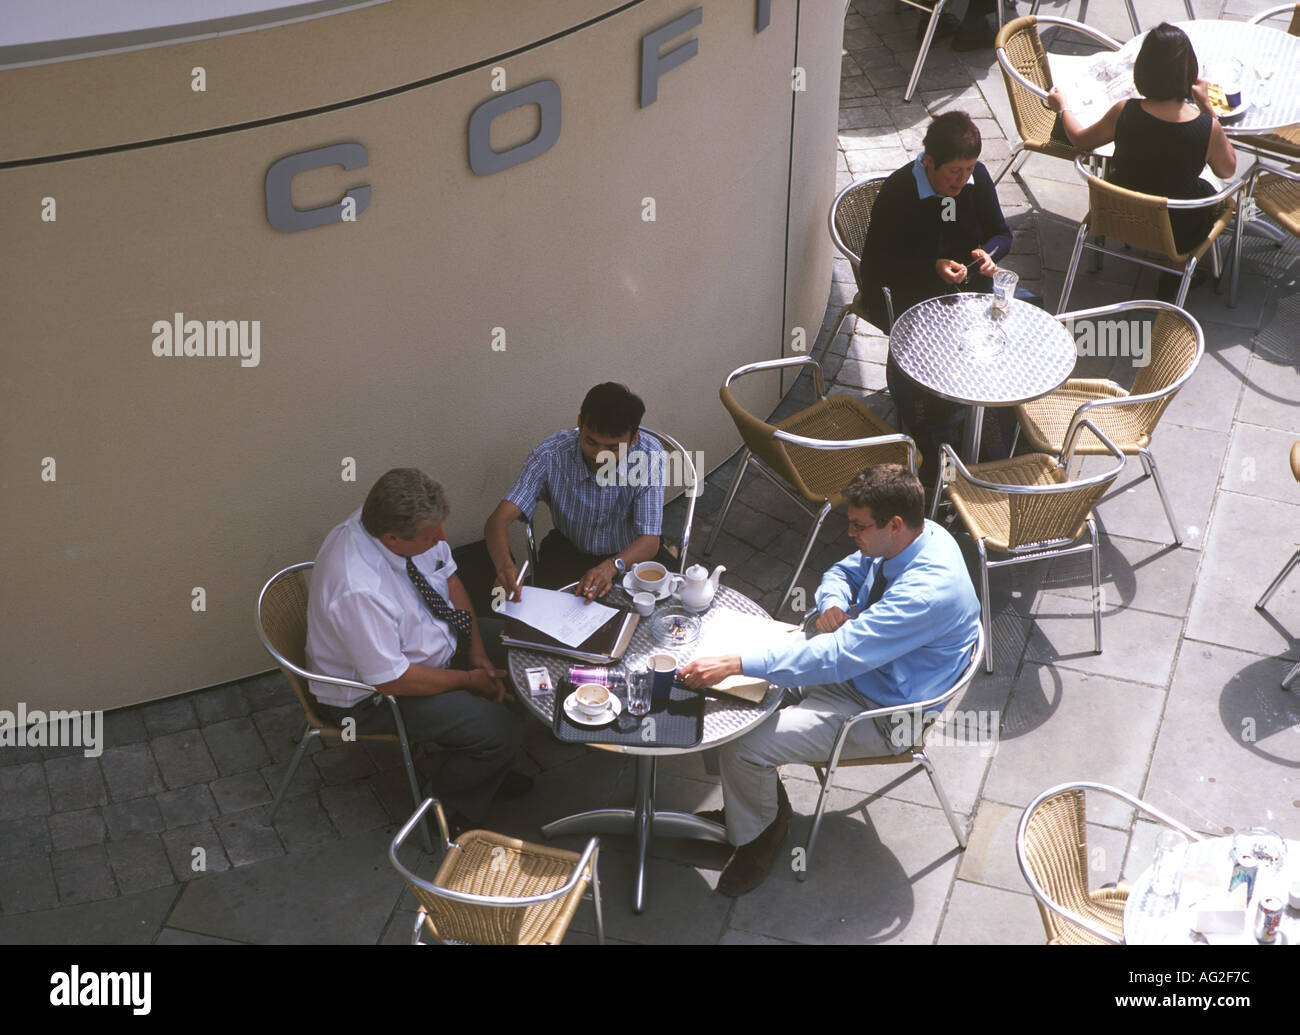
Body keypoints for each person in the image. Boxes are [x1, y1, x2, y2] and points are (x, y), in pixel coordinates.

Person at [679, 464, 981, 897]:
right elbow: (845, 571)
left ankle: (760, 836)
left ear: (894, 525)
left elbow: (837, 657)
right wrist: (835, 601)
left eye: (859, 526)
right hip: (864, 669)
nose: (850, 534)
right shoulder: (918, 533)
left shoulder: (926, 593)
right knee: (722, 704)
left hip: (881, 713)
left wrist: (738, 663)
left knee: (743, 744)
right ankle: (755, 806)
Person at [306, 468, 528, 831]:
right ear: (392, 538)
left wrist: (476, 651)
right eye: (431, 535)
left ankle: (487, 768)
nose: (442, 537)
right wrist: (470, 681)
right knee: (498, 729)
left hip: (431, 647)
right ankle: (443, 813)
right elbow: (393, 681)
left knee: (523, 648)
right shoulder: (360, 589)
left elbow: (449, 576)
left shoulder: (391, 523)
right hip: (373, 697)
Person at [857, 111, 1037, 486]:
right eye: (955, 171)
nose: (964, 179)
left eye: (969, 168)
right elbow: (878, 267)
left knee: (1030, 311)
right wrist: (931, 267)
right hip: (912, 294)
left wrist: (989, 254)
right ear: (928, 162)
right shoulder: (899, 193)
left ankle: (1003, 413)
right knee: (941, 361)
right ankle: (939, 439)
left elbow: (1001, 233)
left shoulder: (977, 180)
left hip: (967, 287)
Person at [1047, 21, 1236, 288]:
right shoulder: (1207, 127)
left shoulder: (1124, 110)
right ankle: (1176, 268)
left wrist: (1062, 107)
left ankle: (1168, 263)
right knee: (1210, 191)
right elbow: (1228, 170)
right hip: (1178, 227)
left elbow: (1079, 139)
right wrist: (1207, 107)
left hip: (1119, 211)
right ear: (1189, 72)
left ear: (1143, 69)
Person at [485, 382, 668, 604]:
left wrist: (612, 565)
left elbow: (649, 541)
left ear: (634, 439)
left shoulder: (649, 456)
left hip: (629, 555)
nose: (599, 455)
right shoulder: (551, 455)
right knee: (548, 619)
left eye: (612, 448)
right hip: (568, 551)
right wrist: (505, 567)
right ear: (580, 423)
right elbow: (497, 521)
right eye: (591, 441)